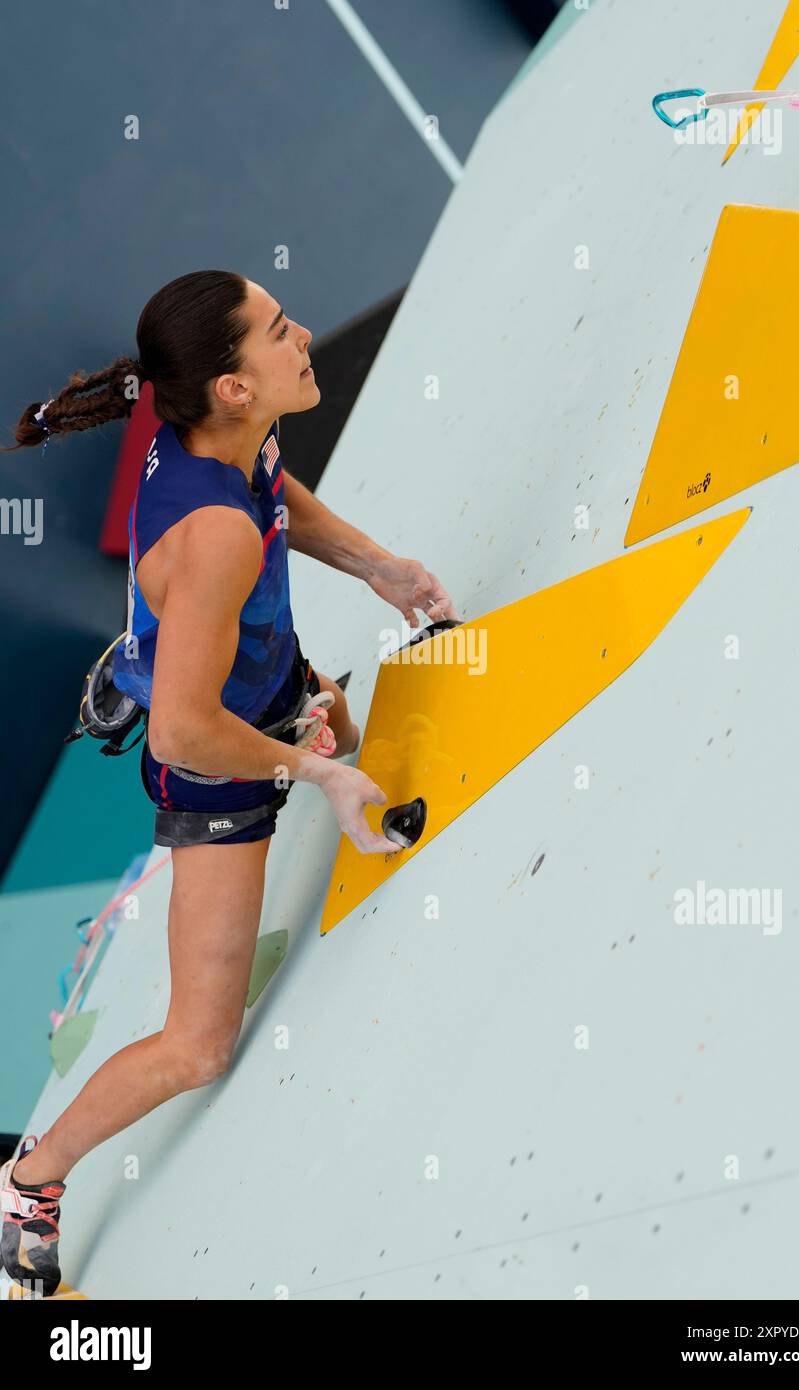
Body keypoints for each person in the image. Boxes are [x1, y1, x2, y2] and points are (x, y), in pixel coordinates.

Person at [0, 269, 457, 1296]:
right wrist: (310, 773)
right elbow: (186, 727)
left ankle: (176, 667)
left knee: (326, 707)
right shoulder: (208, 538)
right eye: (281, 332)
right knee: (200, 1043)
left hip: (263, 672)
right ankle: (29, 1181)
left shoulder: (224, 435)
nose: (302, 340)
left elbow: (274, 494)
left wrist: (377, 566)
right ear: (232, 386)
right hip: (211, 760)